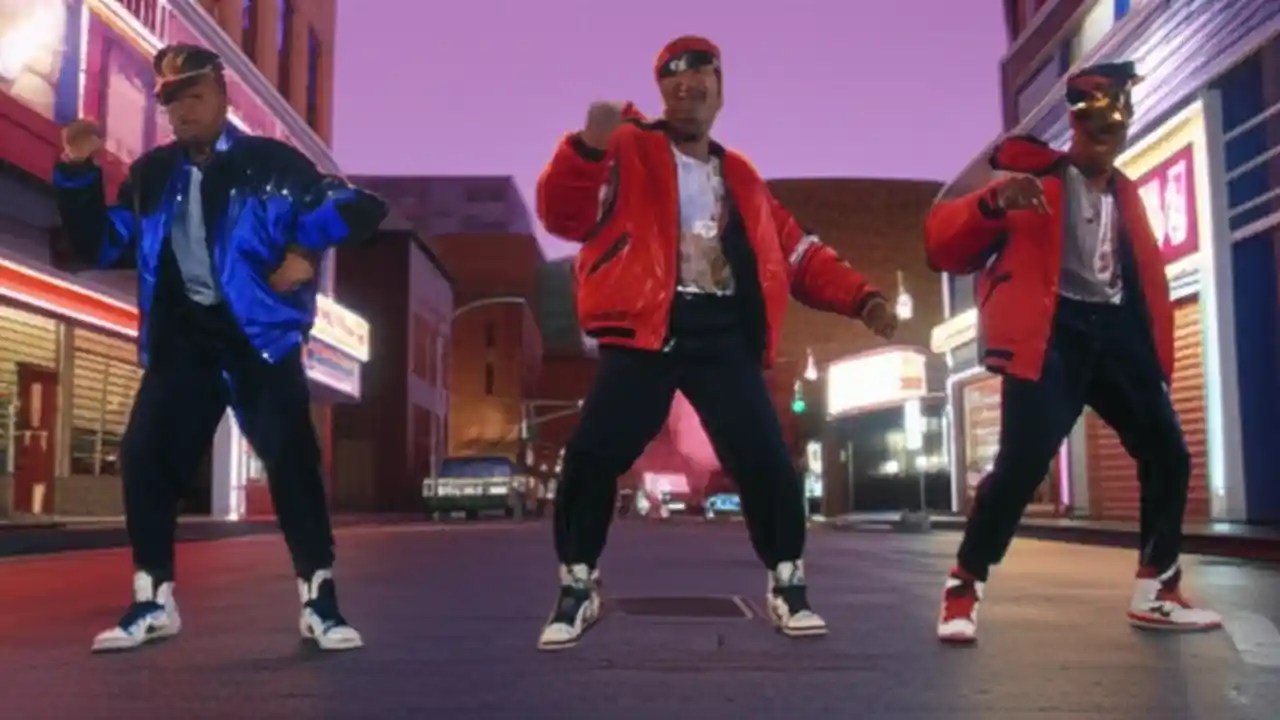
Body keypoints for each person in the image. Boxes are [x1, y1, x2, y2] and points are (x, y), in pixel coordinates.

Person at [534, 35, 898, 650]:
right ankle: (577, 585)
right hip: (644, 328)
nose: (688, 93)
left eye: (701, 84)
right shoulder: (625, 148)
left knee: (765, 460)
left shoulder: (743, 177)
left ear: (719, 92)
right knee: (593, 455)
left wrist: (862, 297)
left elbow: (798, 251)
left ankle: (788, 582)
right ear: (661, 95)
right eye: (675, 86)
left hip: (722, 333)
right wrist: (585, 149)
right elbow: (562, 215)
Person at [52, 44, 388, 653]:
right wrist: (77, 172)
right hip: (184, 342)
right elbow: (102, 245)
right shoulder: (151, 175)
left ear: (223, 96)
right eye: (173, 102)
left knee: (292, 463)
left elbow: (356, 207)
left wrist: (306, 252)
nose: (183, 112)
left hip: (257, 339)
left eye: (195, 96)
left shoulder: (271, 166)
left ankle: (320, 598)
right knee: (145, 454)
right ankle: (153, 599)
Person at [924, 61, 1222, 643]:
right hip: (1051, 332)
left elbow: (1145, 284)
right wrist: (990, 204)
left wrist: (1154, 358)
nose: (1102, 141)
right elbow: (942, 246)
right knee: (1020, 468)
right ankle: (963, 588)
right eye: (1091, 128)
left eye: (1113, 129)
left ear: (1126, 131)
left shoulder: (1128, 197)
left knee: (1168, 450)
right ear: (1074, 126)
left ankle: (1156, 590)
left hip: (1114, 335)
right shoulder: (1033, 180)